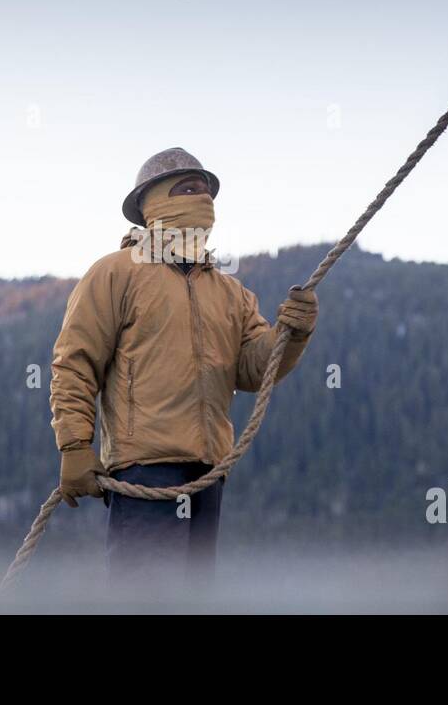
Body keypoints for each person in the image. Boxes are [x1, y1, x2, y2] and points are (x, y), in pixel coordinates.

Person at [48, 146, 318, 588]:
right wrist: (75, 446)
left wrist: (292, 334)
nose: (204, 198)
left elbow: (253, 369)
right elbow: (75, 363)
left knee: (194, 603)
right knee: (145, 601)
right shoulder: (115, 274)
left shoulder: (230, 293)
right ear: (153, 203)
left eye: (207, 190)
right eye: (189, 188)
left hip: (208, 471)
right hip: (143, 470)